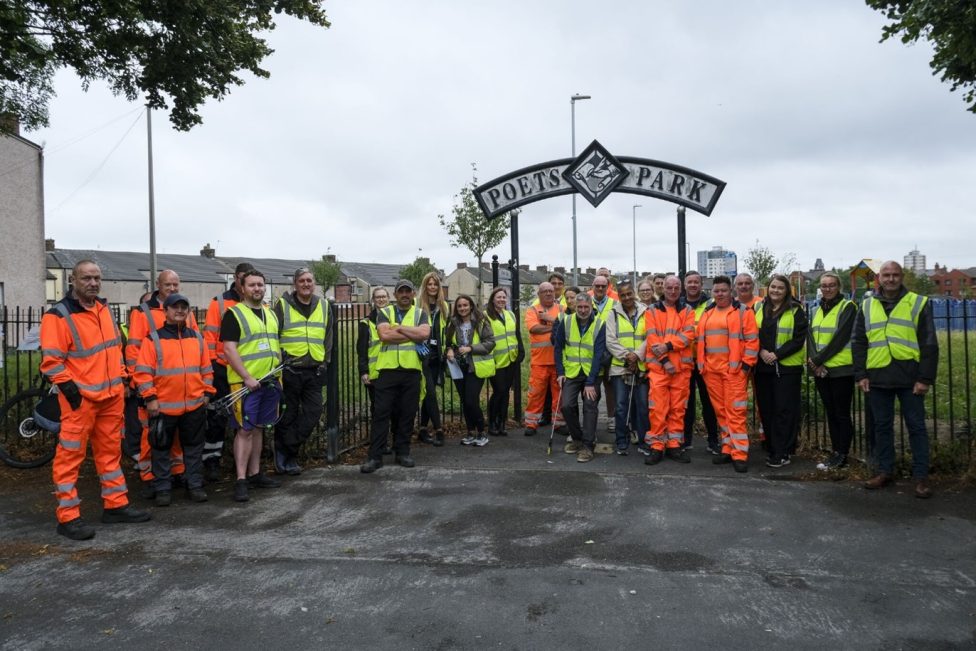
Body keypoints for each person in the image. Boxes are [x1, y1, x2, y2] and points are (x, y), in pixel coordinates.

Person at [40, 260, 151, 540]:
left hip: (110, 398)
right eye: (86, 278)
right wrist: (72, 392)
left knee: (110, 454)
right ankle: (68, 518)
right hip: (81, 401)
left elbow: (114, 349)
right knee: (69, 458)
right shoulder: (58, 316)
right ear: (73, 281)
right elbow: (52, 362)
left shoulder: (103, 310)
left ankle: (115, 506)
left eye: (97, 278)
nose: (92, 283)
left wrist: (124, 380)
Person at [852, 260, 938, 498]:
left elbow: (929, 344)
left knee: (917, 428)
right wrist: (861, 374)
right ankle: (885, 471)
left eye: (895, 275)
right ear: (879, 278)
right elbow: (858, 342)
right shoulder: (867, 305)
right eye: (886, 275)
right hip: (878, 375)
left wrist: (925, 379)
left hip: (910, 378)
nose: (890, 279)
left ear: (902, 277)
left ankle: (921, 477)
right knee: (882, 427)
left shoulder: (918, 303)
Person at [125, 269, 200, 496]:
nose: (172, 288)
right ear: (158, 285)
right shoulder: (143, 312)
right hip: (153, 387)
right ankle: (150, 477)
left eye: (176, 284)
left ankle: (177, 471)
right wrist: (136, 382)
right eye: (168, 285)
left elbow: (196, 345)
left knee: (176, 436)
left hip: (183, 390)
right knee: (153, 435)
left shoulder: (186, 310)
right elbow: (134, 348)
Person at [133, 293, 214, 505]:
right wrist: (150, 399)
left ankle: (194, 486)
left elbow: (207, 369)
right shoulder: (153, 340)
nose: (180, 311)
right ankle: (162, 489)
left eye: (183, 307)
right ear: (166, 311)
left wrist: (206, 394)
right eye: (175, 307)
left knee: (194, 449)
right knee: (160, 449)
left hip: (194, 405)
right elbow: (142, 373)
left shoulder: (197, 338)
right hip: (163, 407)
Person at [221, 270, 283, 502]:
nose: (257, 288)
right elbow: (229, 349)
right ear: (243, 288)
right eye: (252, 285)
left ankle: (255, 474)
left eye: (260, 284)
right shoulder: (234, 314)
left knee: (259, 427)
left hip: (269, 381)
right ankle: (241, 480)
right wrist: (247, 377)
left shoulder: (270, 314)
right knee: (245, 430)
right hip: (246, 384)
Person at [360, 279, 431, 473]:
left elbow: (424, 334)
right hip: (387, 371)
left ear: (413, 294)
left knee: (407, 414)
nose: (405, 294)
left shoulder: (420, 314)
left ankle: (403, 452)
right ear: (395, 295)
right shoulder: (384, 312)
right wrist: (411, 333)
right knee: (381, 414)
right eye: (401, 292)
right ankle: (375, 457)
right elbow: (384, 336)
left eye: (408, 291)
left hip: (411, 370)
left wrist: (398, 328)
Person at [273, 267, 334, 475]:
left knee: (314, 412)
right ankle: (287, 457)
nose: (306, 284)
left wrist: (325, 361)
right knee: (287, 415)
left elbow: (328, 336)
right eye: (302, 281)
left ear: (314, 283)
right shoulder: (282, 305)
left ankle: (286, 447)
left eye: (309, 280)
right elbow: (274, 334)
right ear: (295, 284)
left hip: (314, 370)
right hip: (290, 369)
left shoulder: (324, 306)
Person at [697, 275, 759, 473]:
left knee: (735, 413)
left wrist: (745, 367)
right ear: (712, 293)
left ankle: (740, 454)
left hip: (733, 373)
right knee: (721, 413)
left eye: (723, 290)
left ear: (730, 291)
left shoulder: (743, 312)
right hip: (712, 372)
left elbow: (751, 341)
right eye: (716, 291)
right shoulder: (708, 313)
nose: (720, 294)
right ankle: (727, 448)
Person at [202, 261, 254, 481]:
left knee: (246, 419)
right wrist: (213, 365)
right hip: (223, 369)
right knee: (217, 416)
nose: (244, 284)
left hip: (249, 371)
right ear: (236, 278)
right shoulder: (220, 303)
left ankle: (239, 462)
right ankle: (212, 460)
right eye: (241, 278)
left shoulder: (258, 303)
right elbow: (210, 336)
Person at [754, 274, 809, 468]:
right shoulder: (759, 308)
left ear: (787, 291)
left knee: (784, 411)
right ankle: (772, 447)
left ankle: (783, 451)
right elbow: (752, 333)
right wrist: (760, 351)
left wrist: (776, 355)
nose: (775, 290)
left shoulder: (796, 310)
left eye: (780, 288)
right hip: (762, 367)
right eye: (773, 287)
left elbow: (798, 338)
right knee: (767, 410)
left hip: (786, 369)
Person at [644, 275, 696, 465]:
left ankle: (674, 445)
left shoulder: (688, 310)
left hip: (681, 370)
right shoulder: (652, 310)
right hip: (659, 369)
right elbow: (652, 338)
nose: (673, 291)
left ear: (680, 289)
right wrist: (665, 359)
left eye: (676, 287)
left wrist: (667, 346)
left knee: (677, 409)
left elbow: (688, 335)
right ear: (663, 289)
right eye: (669, 287)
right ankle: (657, 446)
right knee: (657, 409)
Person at [807, 271, 857, 470]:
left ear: (839, 287)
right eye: (824, 285)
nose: (827, 289)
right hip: (820, 370)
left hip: (840, 369)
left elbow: (840, 338)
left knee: (841, 413)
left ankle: (842, 454)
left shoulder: (848, 307)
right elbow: (810, 337)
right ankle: (836, 451)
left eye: (831, 285)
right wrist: (814, 362)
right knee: (831, 412)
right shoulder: (816, 310)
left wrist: (818, 360)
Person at [555, 293, 607, 463]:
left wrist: (591, 382)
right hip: (572, 372)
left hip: (592, 373)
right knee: (567, 406)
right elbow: (558, 348)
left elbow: (599, 354)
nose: (583, 310)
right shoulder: (566, 321)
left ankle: (588, 445)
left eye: (586, 307)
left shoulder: (600, 324)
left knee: (590, 405)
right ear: (575, 307)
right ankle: (577, 438)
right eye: (580, 307)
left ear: (591, 306)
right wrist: (561, 372)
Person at [444, 294, 496, 446]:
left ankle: (481, 432)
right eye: (459, 306)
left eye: (465, 305)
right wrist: (449, 350)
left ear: (471, 306)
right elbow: (448, 342)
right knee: (465, 402)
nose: (462, 308)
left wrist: (471, 348)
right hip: (458, 367)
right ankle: (470, 432)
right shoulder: (453, 323)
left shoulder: (481, 322)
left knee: (471, 400)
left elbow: (490, 343)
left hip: (475, 367)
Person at [604, 279, 649, 454]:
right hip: (619, 367)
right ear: (619, 296)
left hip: (641, 366)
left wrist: (637, 355)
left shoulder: (647, 311)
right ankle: (621, 440)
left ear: (634, 293)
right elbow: (610, 340)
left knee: (643, 405)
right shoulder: (612, 314)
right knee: (621, 406)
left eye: (629, 293)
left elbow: (650, 336)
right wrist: (627, 356)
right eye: (622, 295)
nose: (626, 297)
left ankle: (644, 439)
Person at [681, 271, 719, 452]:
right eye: (690, 282)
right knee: (686, 403)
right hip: (685, 360)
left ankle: (713, 440)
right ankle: (686, 439)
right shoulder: (679, 304)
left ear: (701, 284)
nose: (693, 285)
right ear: (685, 284)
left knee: (709, 402)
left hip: (706, 360)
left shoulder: (710, 304)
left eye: (696, 282)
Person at [523, 282, 564, 436]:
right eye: (545, 291)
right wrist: (556, 325)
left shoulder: (561, 309)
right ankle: (531, 424)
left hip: (558, 361)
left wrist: (551, 321)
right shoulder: (532, 310)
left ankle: (559, 423)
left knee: (559, 395)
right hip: (539, 362)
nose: (548, 293)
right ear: (539, 294)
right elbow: (534, 328)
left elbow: (567, 326)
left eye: (551, 291)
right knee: (535, 394)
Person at [358, 287, 394, 454]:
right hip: (375, 373)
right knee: (379, 410)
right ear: (373, 300)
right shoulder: (366, 323)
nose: (381, 300)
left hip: (393, 369)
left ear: (389, 298)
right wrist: (363, 371)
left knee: (395, 408)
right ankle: (380, 443)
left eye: (383, 297)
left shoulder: (394, 318)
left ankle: (394, 440)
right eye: (378, 297)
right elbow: (362, 350)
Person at [485, 287, 523, 437]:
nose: (501, 300)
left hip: (511, 359)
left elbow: (516, 334)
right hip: (495, 360)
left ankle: (502, 422)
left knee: (505, 392)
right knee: (499, 391)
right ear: (493, 299)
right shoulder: (486, 316)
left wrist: (520, 350)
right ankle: (492, 422)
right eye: (498, 297)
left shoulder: (511, 315)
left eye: (503, 297)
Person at [416, 271, 448, 447]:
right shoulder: (418, 305)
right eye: (429, 284)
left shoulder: (444, 307)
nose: (433, 287)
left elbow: (449, 330)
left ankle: (422, 429)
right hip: (423, 354)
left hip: (438, 355)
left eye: (435, 284)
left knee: (429, 392)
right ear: (425, 286)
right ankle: (439, 430)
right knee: (429, 392)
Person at [590, 275, 616, 434]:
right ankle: (590, 420)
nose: (600, 289)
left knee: (611, 388)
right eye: (597, 286)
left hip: (610, 352)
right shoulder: (586, 302)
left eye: (603, 286)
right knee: (592, 388)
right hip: (591, 353)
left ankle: (612, 419)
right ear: (592, 286)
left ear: (608, 287)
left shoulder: (615, 304)